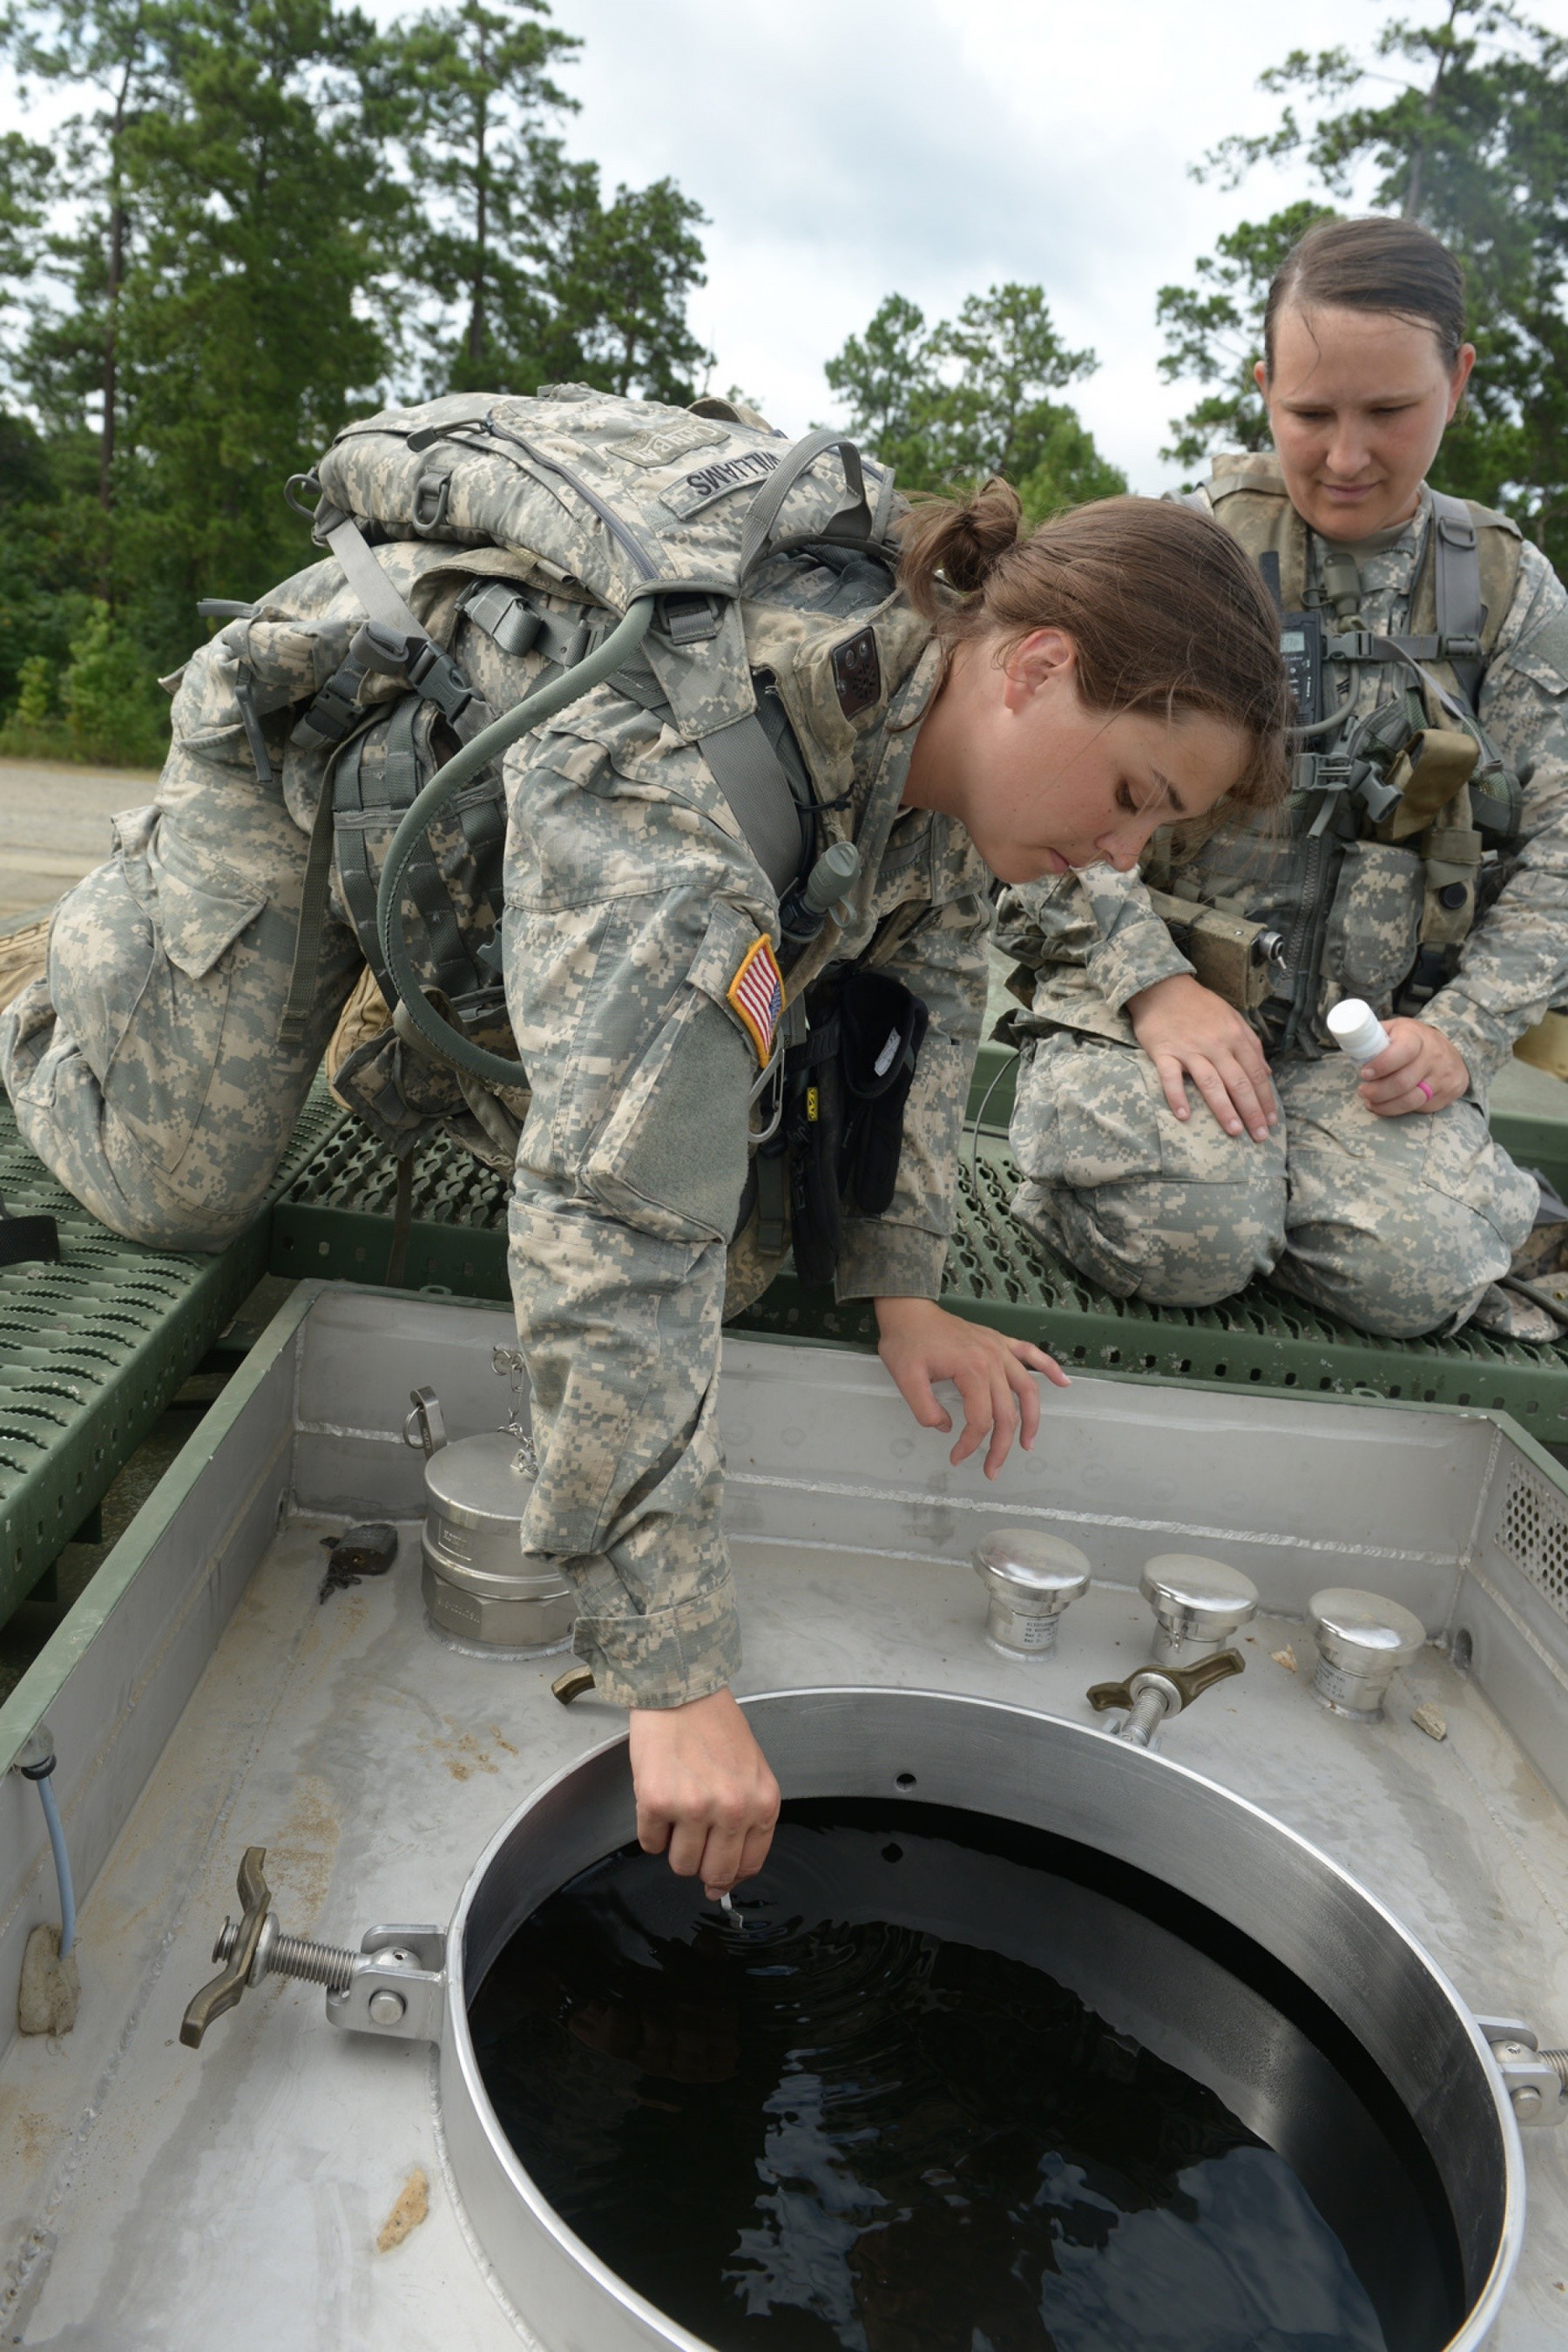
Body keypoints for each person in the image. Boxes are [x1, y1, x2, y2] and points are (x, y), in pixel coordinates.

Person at [0, 395, 1288, 1895]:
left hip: (507, 838)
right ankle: (78, 970)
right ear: (1039, 666)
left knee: (735, 1260)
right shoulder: (682, 796)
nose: (1125, 855)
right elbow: (603, 1227)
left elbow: (921, 991)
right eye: (1135, 794)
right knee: (172, 1185)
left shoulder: (938, 740)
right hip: (318, 753)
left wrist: (900, 1281)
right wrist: (674, 1680)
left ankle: (424, 1005)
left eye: (1162, 829)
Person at [999, 216, 1568, 1343]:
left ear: (1456, 381)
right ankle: (1222, 1191)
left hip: (1358, 1062)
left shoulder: (1510, 598)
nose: (1347, 456)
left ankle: (1305, 1192)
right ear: (1264, 388)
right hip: (1145, 1013)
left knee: (1423, 1268)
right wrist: (1153, 987)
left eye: (1389, 413)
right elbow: (1035, 809)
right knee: (1191, 1237)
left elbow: (1557, 850)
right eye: (1310, 415)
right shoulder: (1182, 565)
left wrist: (1459, 1032)